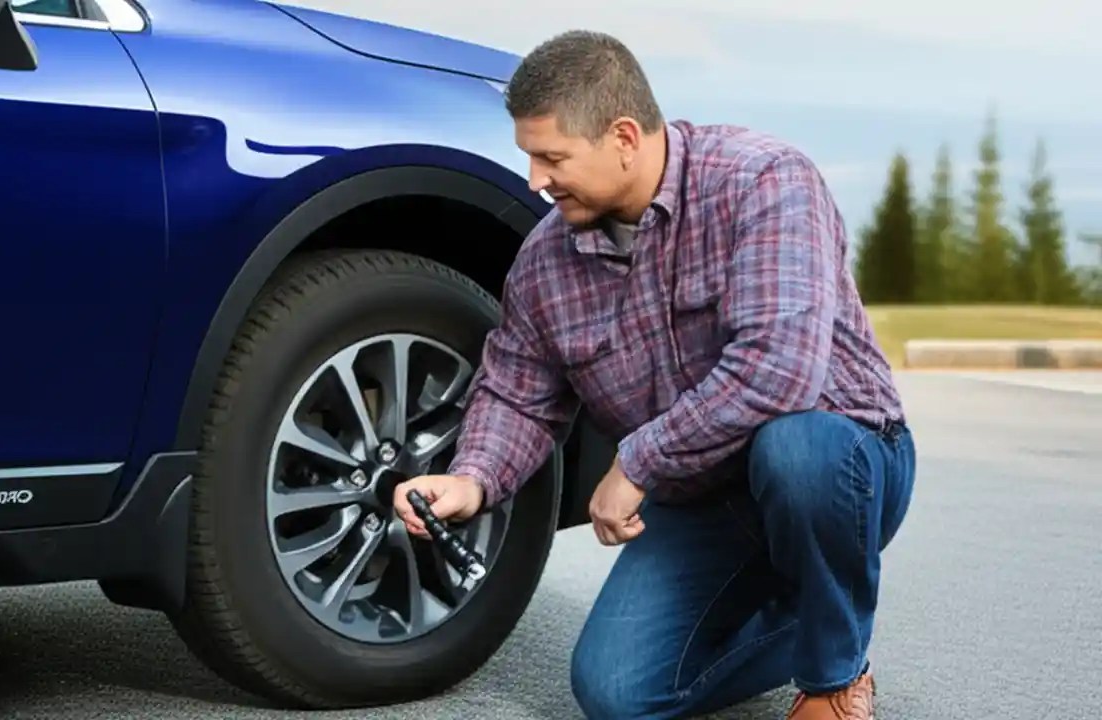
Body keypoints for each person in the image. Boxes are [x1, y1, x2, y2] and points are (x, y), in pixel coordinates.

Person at [392, 29, 915, 720]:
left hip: (841, 463)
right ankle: (822, 610)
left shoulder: (765, 182)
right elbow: (518, 388)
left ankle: (835, 676)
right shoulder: (547, 260)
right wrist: (471, 479)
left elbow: (778, 369)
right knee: (615, 693)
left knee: (798, 448)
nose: (534, 181)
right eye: (529, 157)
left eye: (552, 157)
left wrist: (637, 462)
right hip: (704, 499)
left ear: (625, 137)